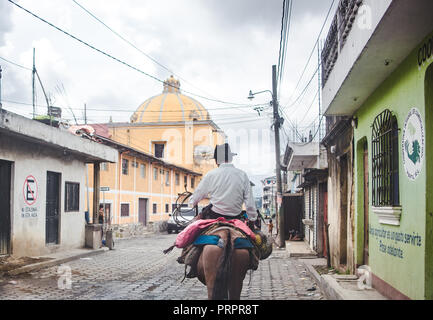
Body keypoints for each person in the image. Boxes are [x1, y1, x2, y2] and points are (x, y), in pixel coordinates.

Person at [189, 143, 257, 224]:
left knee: (193, 230)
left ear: (216, 161)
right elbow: (249, 203)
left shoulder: (211, 175)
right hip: (236, 217)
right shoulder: (242, 175)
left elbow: (197, 195)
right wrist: (252, 218)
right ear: (230, 158)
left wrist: (192, 202)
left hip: (214, 216)